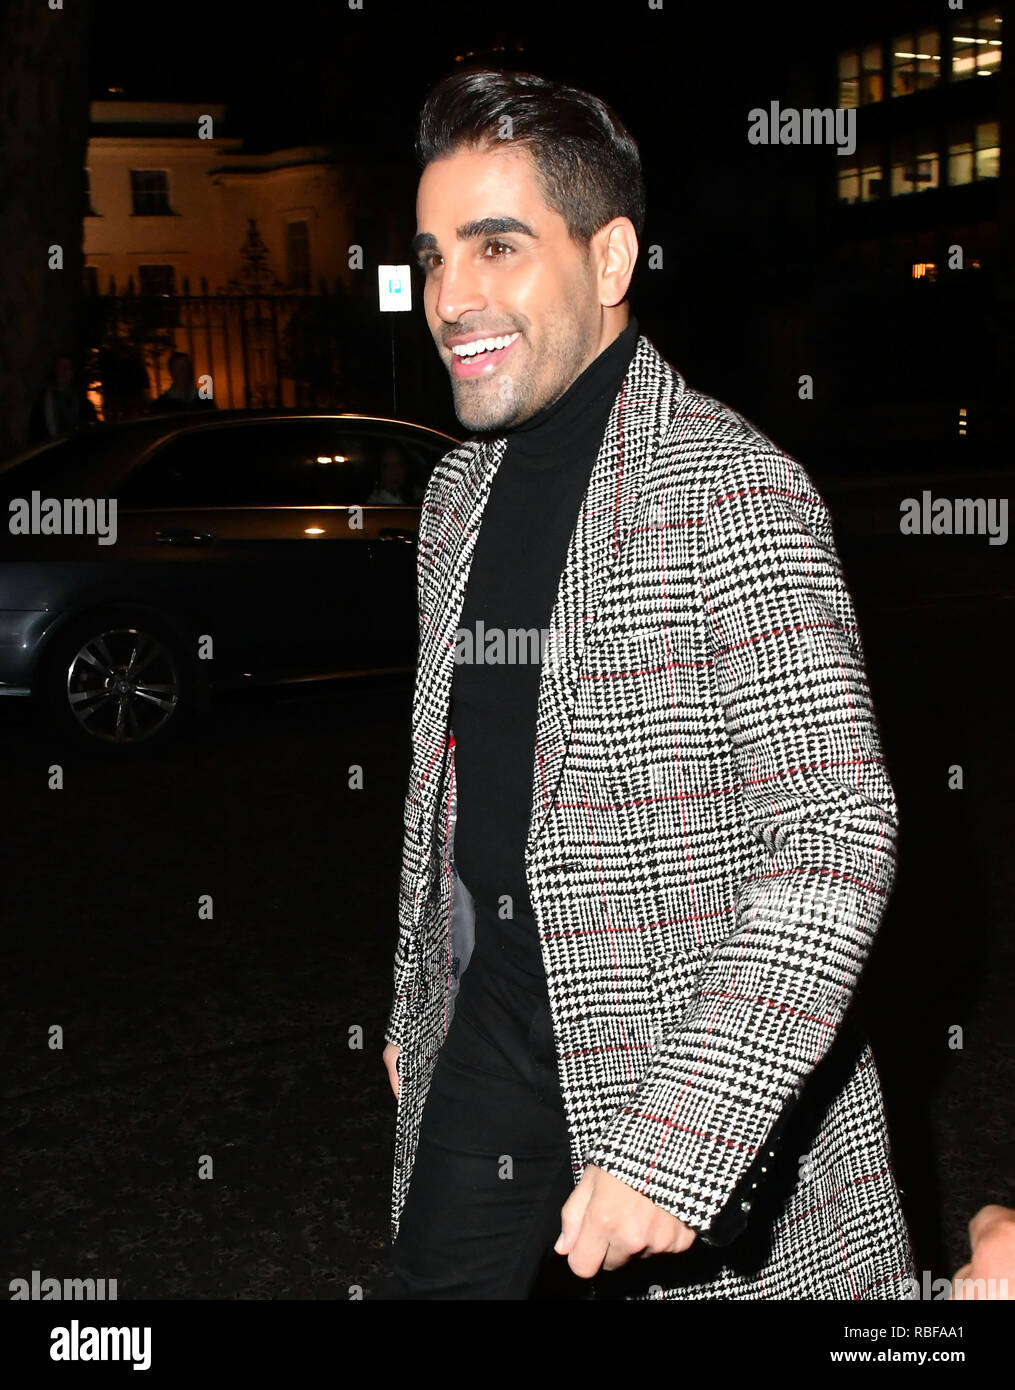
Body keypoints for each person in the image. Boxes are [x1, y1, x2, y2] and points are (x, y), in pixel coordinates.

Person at [378, 67, 916, 1301]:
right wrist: (418, 1004)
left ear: (609, 257)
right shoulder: (455, 499)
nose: (450, 297)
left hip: (673, 1040)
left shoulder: (735, 492)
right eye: (432, 253)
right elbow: (459, 798)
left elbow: (836, 833)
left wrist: (682, 1140)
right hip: (494, 1026)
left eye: (497, 247)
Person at [28, 354, 97, 442]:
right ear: (55, 371)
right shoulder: (41, 403)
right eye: (61, 367)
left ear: (72, 372)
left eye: (68, 368)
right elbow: (35, 433)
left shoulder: (83, 403)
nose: (64, 371)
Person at [149, 351, 216, 412]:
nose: (182, 372)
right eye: (178, 369)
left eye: (185, 368)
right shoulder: (160, 405)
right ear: (171, 372)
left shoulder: (206, 401)